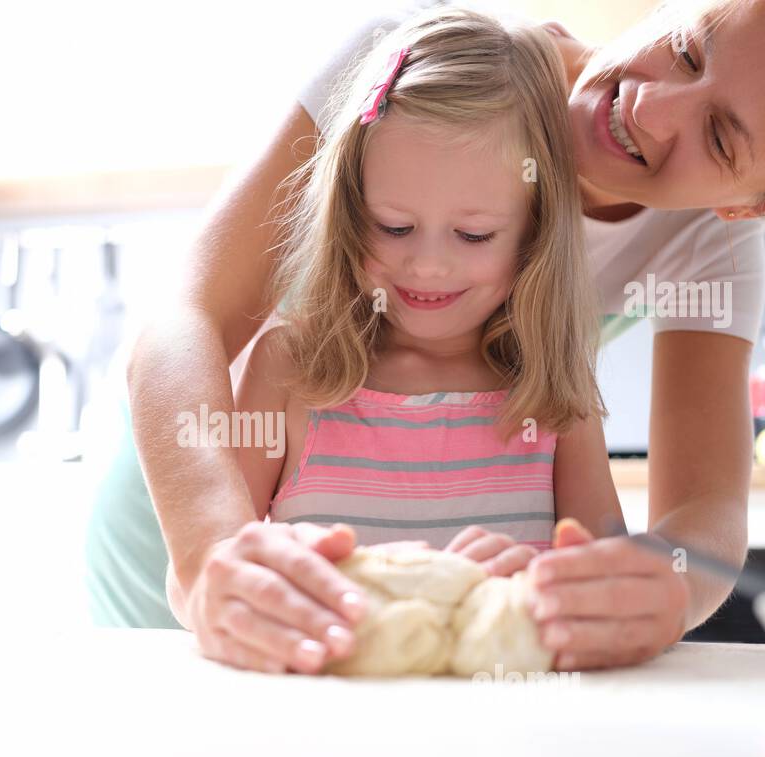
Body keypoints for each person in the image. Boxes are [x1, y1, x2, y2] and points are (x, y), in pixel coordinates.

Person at [95, 0, 765, 672]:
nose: (652, 106)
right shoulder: (420, 64)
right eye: (685, 50)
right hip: (184, 513)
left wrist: (661, 585)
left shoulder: (706, 247)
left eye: (720, 137)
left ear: (757, 203)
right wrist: (208, 554)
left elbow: (704, 511)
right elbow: (184, 316)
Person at [162, 8, 625, 670]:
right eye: (394, 226)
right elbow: (198, 584)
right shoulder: (289, 369)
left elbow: (609, 592)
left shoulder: (556, 396)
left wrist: (543, 588)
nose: (428, 266)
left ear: (534, 227)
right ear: (349, 213)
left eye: (473, 235)